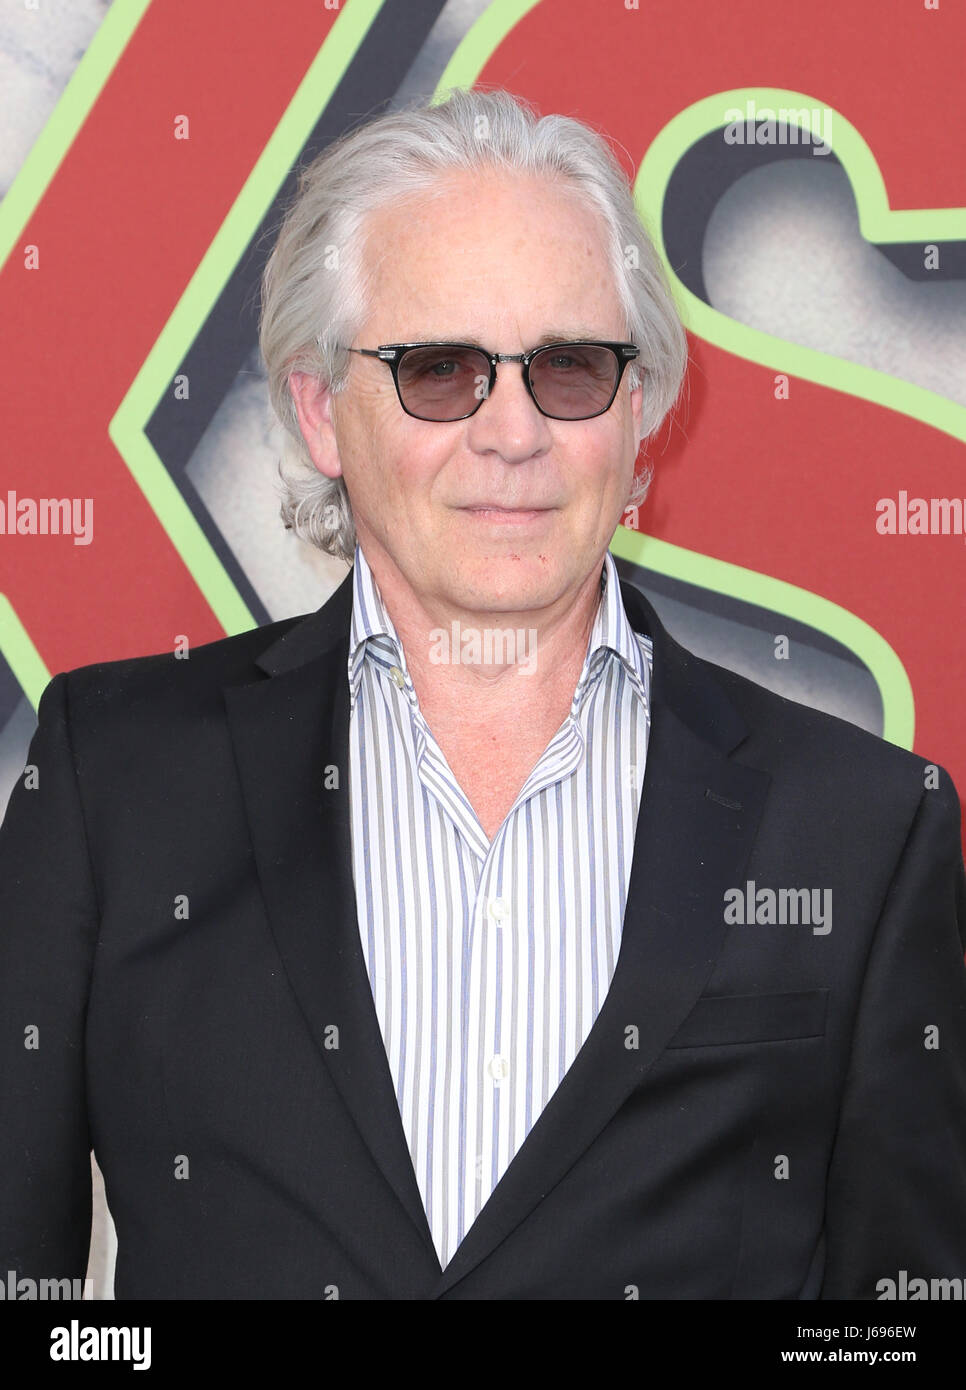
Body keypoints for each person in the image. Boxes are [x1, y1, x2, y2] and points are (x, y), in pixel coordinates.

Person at [2, 88, 965, 1301]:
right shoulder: (112, 779)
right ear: (319, 414)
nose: (513, 432)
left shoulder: (864, 825)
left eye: (570, 367)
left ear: (641, 417)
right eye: (440, 370)